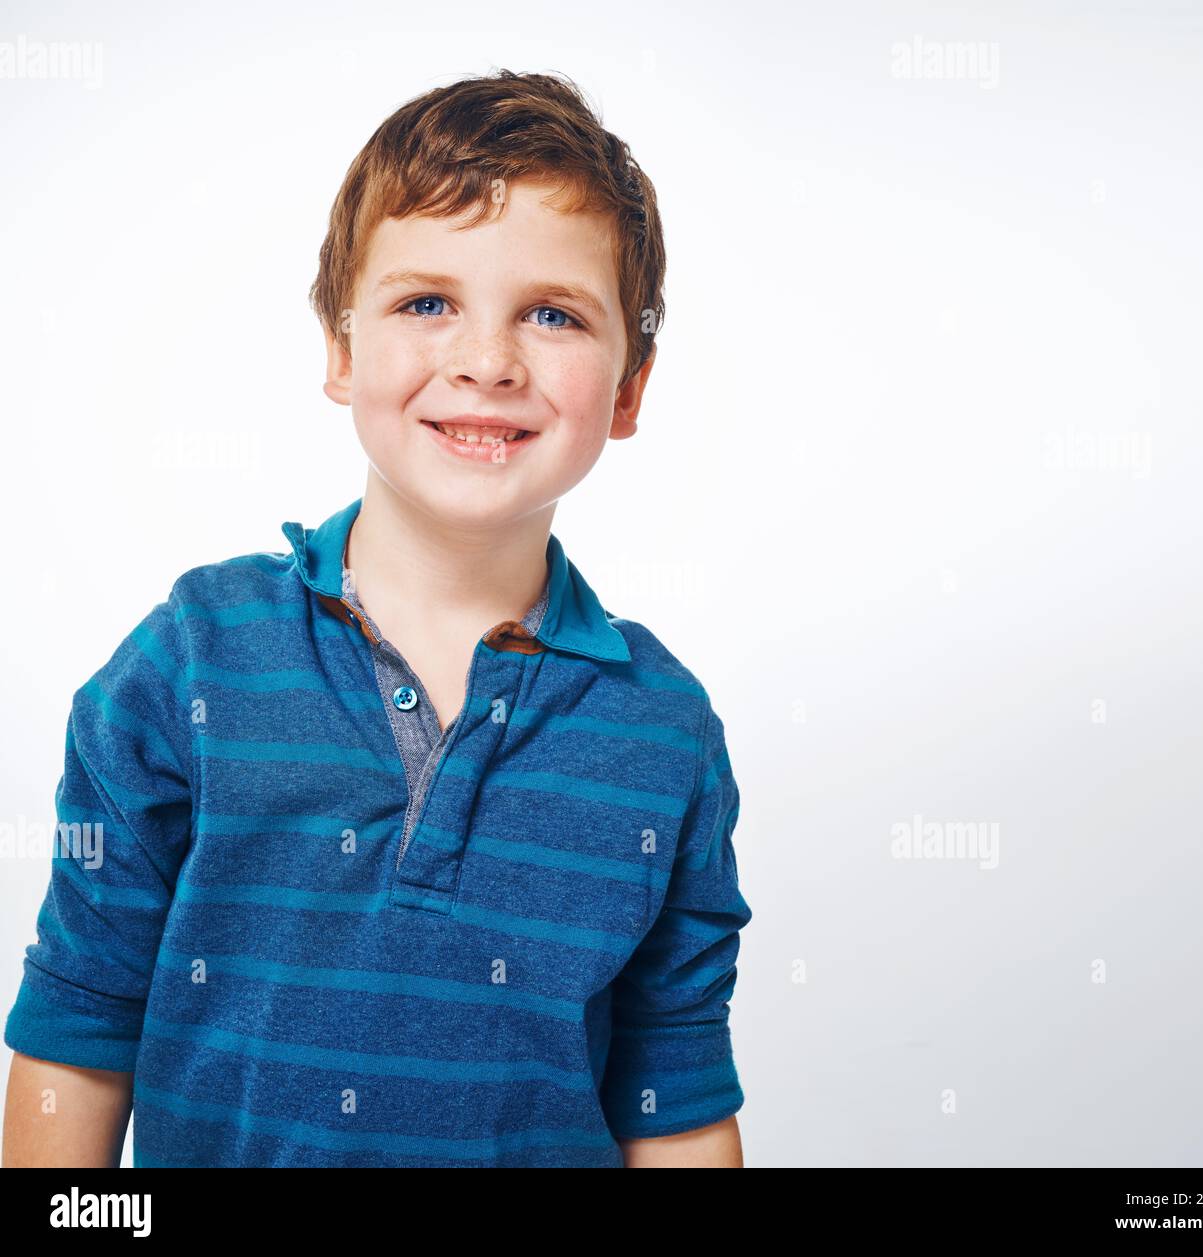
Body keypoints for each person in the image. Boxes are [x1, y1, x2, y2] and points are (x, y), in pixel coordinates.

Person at [3, 69, 752, 1168]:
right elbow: (78, 1027)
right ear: (343, 350)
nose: (487, 362)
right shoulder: (190, 659)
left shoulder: (665, 732)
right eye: (426, 303)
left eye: (552, 315)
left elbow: (674, 1099)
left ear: (629, 387)